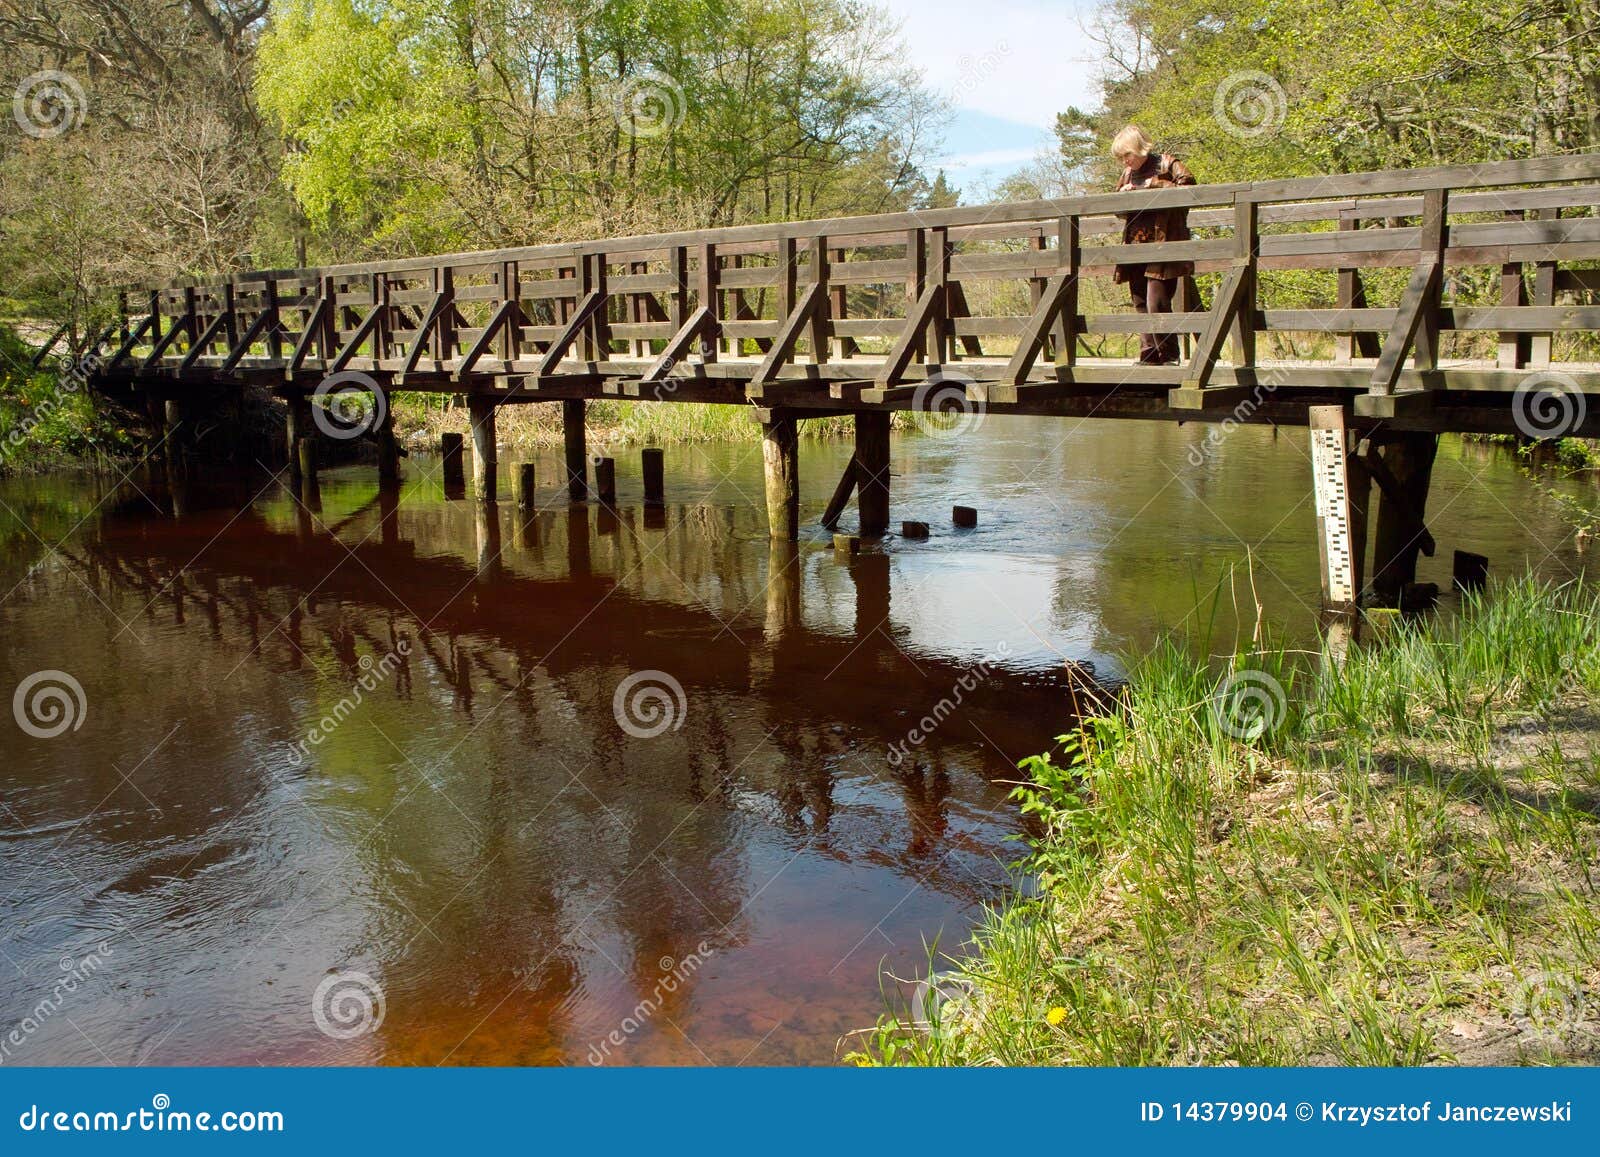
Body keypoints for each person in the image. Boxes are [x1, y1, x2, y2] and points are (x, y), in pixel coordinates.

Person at [1111, 125, 1196, 365]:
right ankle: (1149, 355)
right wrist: (1122, 196)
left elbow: (1190, 191)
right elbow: (1117, 211)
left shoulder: (1168, 164)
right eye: (1121, 157)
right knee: (1139, 301)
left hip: (1164, 243)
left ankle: (1169, 355)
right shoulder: (1127, 175)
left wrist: (1151, 187)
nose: (1125, 161)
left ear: (1139, 148)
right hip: (1136, 243)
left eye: (1127, 155)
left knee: (1156, 301)